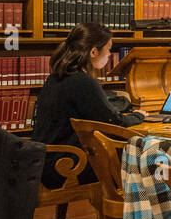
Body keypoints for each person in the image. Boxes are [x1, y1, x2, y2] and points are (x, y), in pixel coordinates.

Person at [32, 22, 141, 189]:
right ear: (93, 52)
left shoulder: (56, 77)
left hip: (46, 162)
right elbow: (114, 123)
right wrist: (139, 116)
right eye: (109, 49)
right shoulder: (82, 81)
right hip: (66, 167)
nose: (110, 54)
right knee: (142, 162)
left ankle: (124, 213)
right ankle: (126, 212)